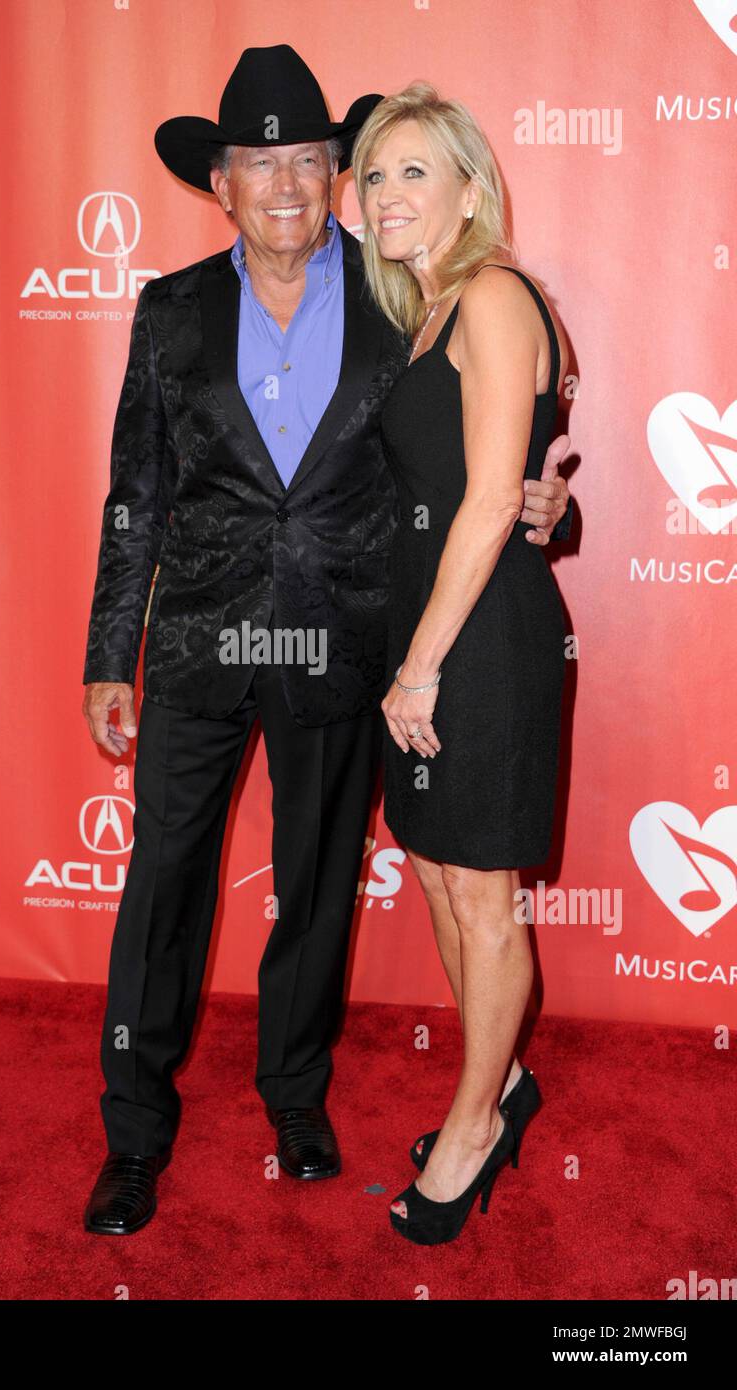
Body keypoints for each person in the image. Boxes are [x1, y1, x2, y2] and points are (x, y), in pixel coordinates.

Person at [80, 46, 572, 1236]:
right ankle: (133, 1132)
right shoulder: (170, 308)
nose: (289, 183)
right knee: (163, 890)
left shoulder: (399, 290)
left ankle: (297, 1101)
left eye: (310, 159)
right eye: (261, 163)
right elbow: (134, 489)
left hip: (345, 643)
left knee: (316, 888)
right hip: (198, 641)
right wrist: (109, 652)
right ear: (223, 181)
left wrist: (547, 506)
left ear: (333, 174)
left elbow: (473, 454)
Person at [352, 82, 572, 1245]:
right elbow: (503, 478)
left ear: (470, 189)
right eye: (374, 175)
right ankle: (500, 1085)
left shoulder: (488, 293)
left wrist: (420, 668)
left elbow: (493, 498)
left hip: (476, 644)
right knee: (438, 875)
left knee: (479, 892)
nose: (387, 194)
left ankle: (476, 1122)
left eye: (413, 171)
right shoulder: (426, 315)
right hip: (432, 629)